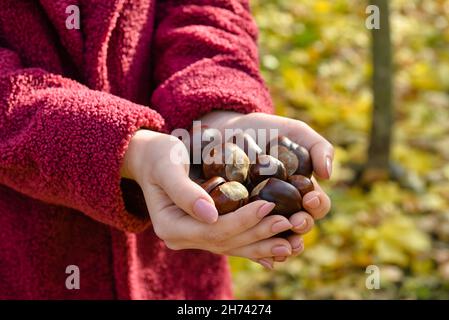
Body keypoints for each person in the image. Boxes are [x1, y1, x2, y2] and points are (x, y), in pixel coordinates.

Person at [0, 0, 333, 299]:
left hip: (174, 270)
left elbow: (207, 10)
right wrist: (122, 147)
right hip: (23, 259)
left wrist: (217, 106)